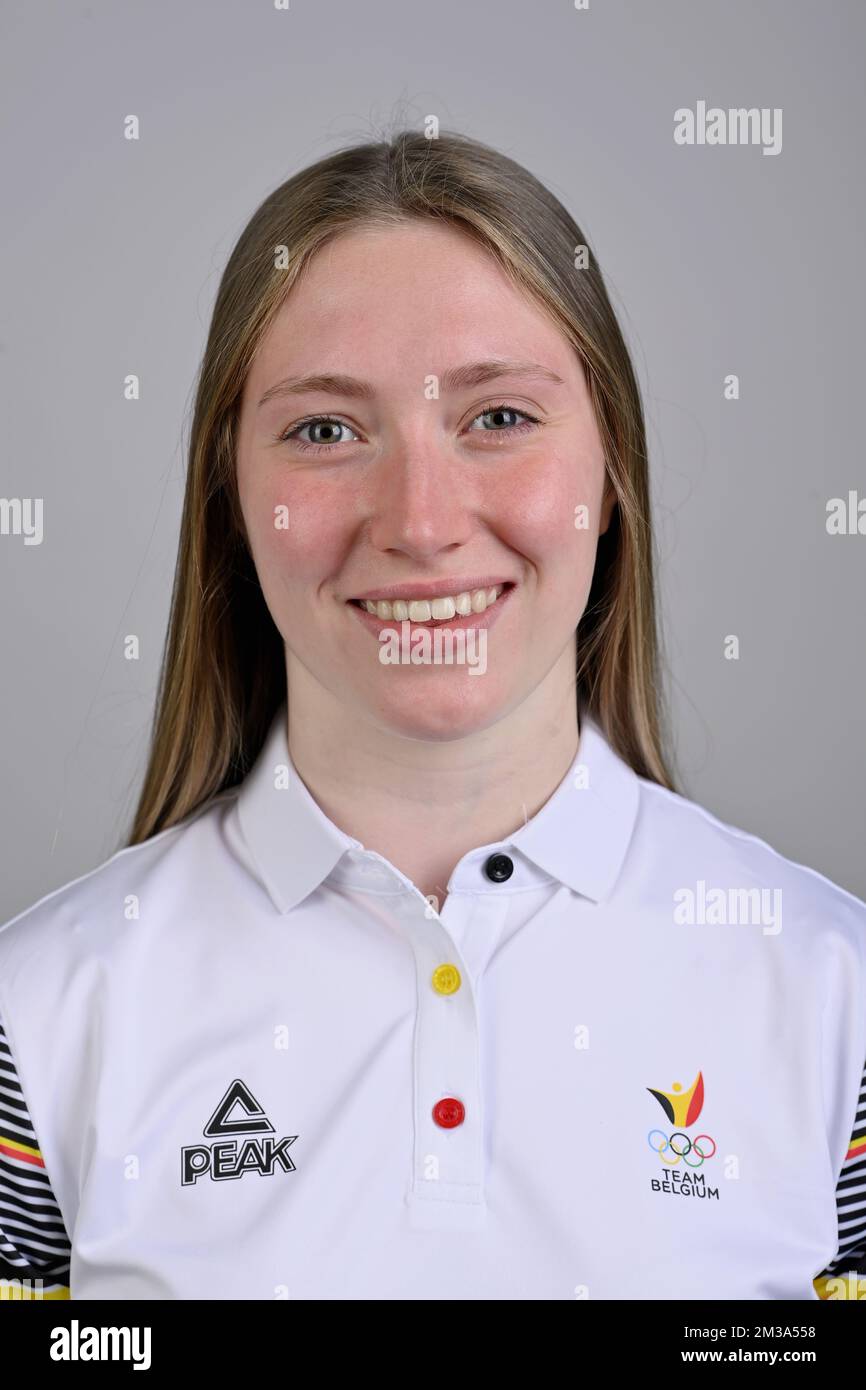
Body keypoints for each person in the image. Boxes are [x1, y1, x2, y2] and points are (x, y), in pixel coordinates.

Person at [1, 130, 863, 1301]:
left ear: (610, 471)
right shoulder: (38, 1015)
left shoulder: (834, 1001)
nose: (419, 519)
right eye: (323, 429)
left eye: (498, 416)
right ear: (232, 493)